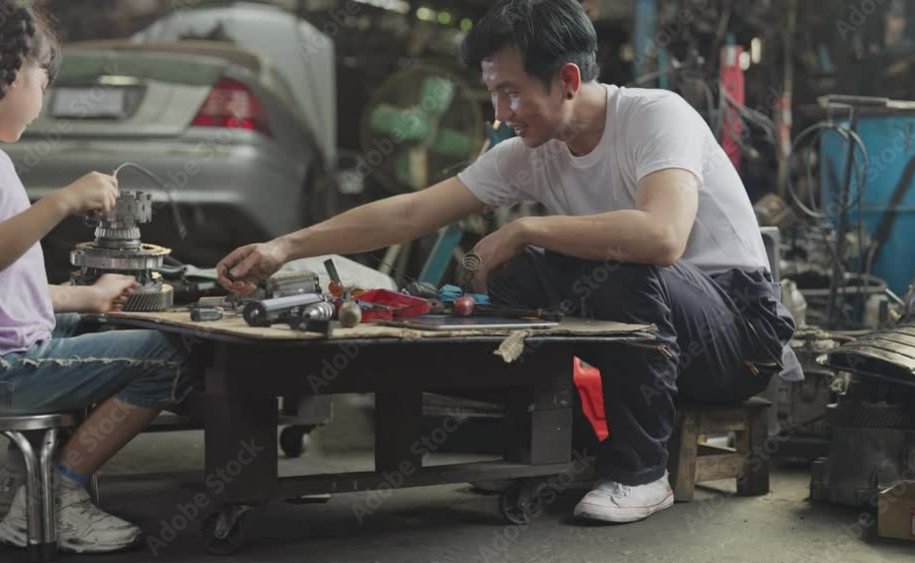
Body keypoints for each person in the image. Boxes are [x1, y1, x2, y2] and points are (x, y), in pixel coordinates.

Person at [218, 0, 797, 524]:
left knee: (617, 264)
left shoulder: (654, 116)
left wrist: (524, 227)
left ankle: (641, 473)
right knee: (514, 275)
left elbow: (663, 237)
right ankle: (561, 450)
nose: (500, 113)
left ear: (568, 79)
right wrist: (285, 248)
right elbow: (410, 213)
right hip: (664, 318)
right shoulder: (531, 150)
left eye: (512, 92)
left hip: (740, 340)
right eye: (494, 93)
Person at [0, 1, 196, 552]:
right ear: (10, 71)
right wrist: (62, 202)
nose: (43, 99)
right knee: (167, 354)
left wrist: (88, 296)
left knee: (89, 333)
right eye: (45, 80)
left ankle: (27, 485)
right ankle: (57, 496)